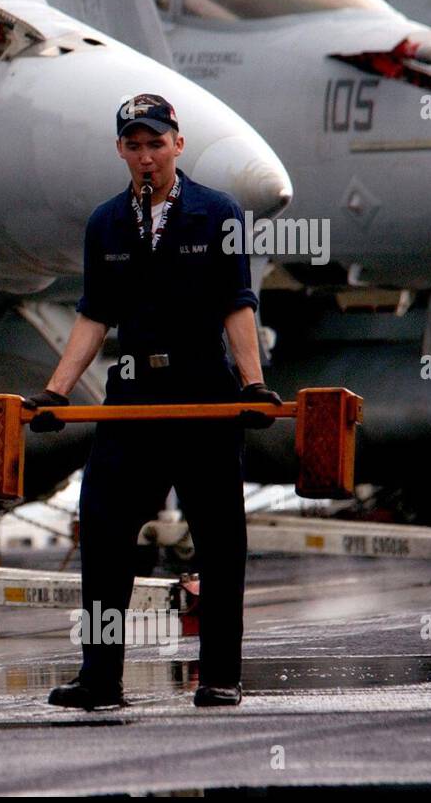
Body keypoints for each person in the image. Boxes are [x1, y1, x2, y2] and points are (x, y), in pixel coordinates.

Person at [24, 93, 281, 709]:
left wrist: (251, 383)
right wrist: (57, 390)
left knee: (219, 540)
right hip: (133, 398)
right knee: (105, 530)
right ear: (120, 149)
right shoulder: (106, 222)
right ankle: (101, 678)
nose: (145, 156)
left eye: (156, 144)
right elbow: (93, 316)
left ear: (178, 145)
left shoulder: (217, 213)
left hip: (202, 395)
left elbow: (236, 304)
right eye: (134, 145)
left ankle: (220, 674)